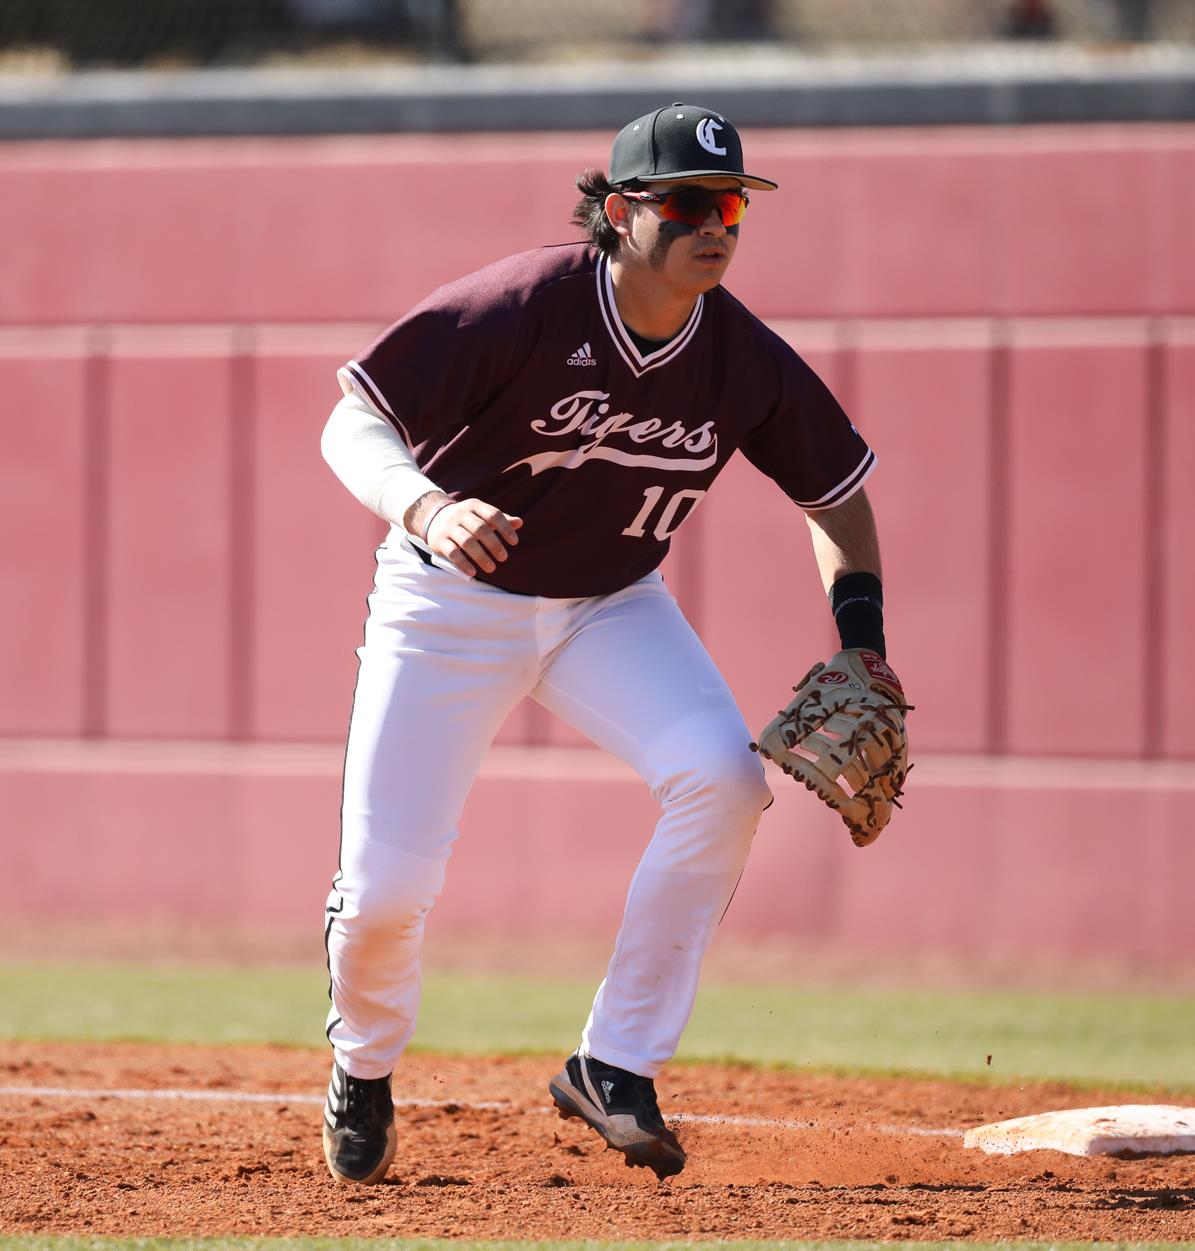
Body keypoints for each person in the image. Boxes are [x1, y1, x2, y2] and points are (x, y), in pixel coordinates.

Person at [315, 102, 889, 1184]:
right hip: (449, 599)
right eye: (686, 202)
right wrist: (427, 508)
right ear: (619, 212)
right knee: (388, 889)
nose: (714, 223)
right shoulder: (522, 304)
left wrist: (862, 639)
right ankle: (363, 1064)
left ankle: (612, 1062)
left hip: (608, 606)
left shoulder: (739, 357)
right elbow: (350, 419)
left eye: (728, 204)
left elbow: (837, 494)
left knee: (722, 780)